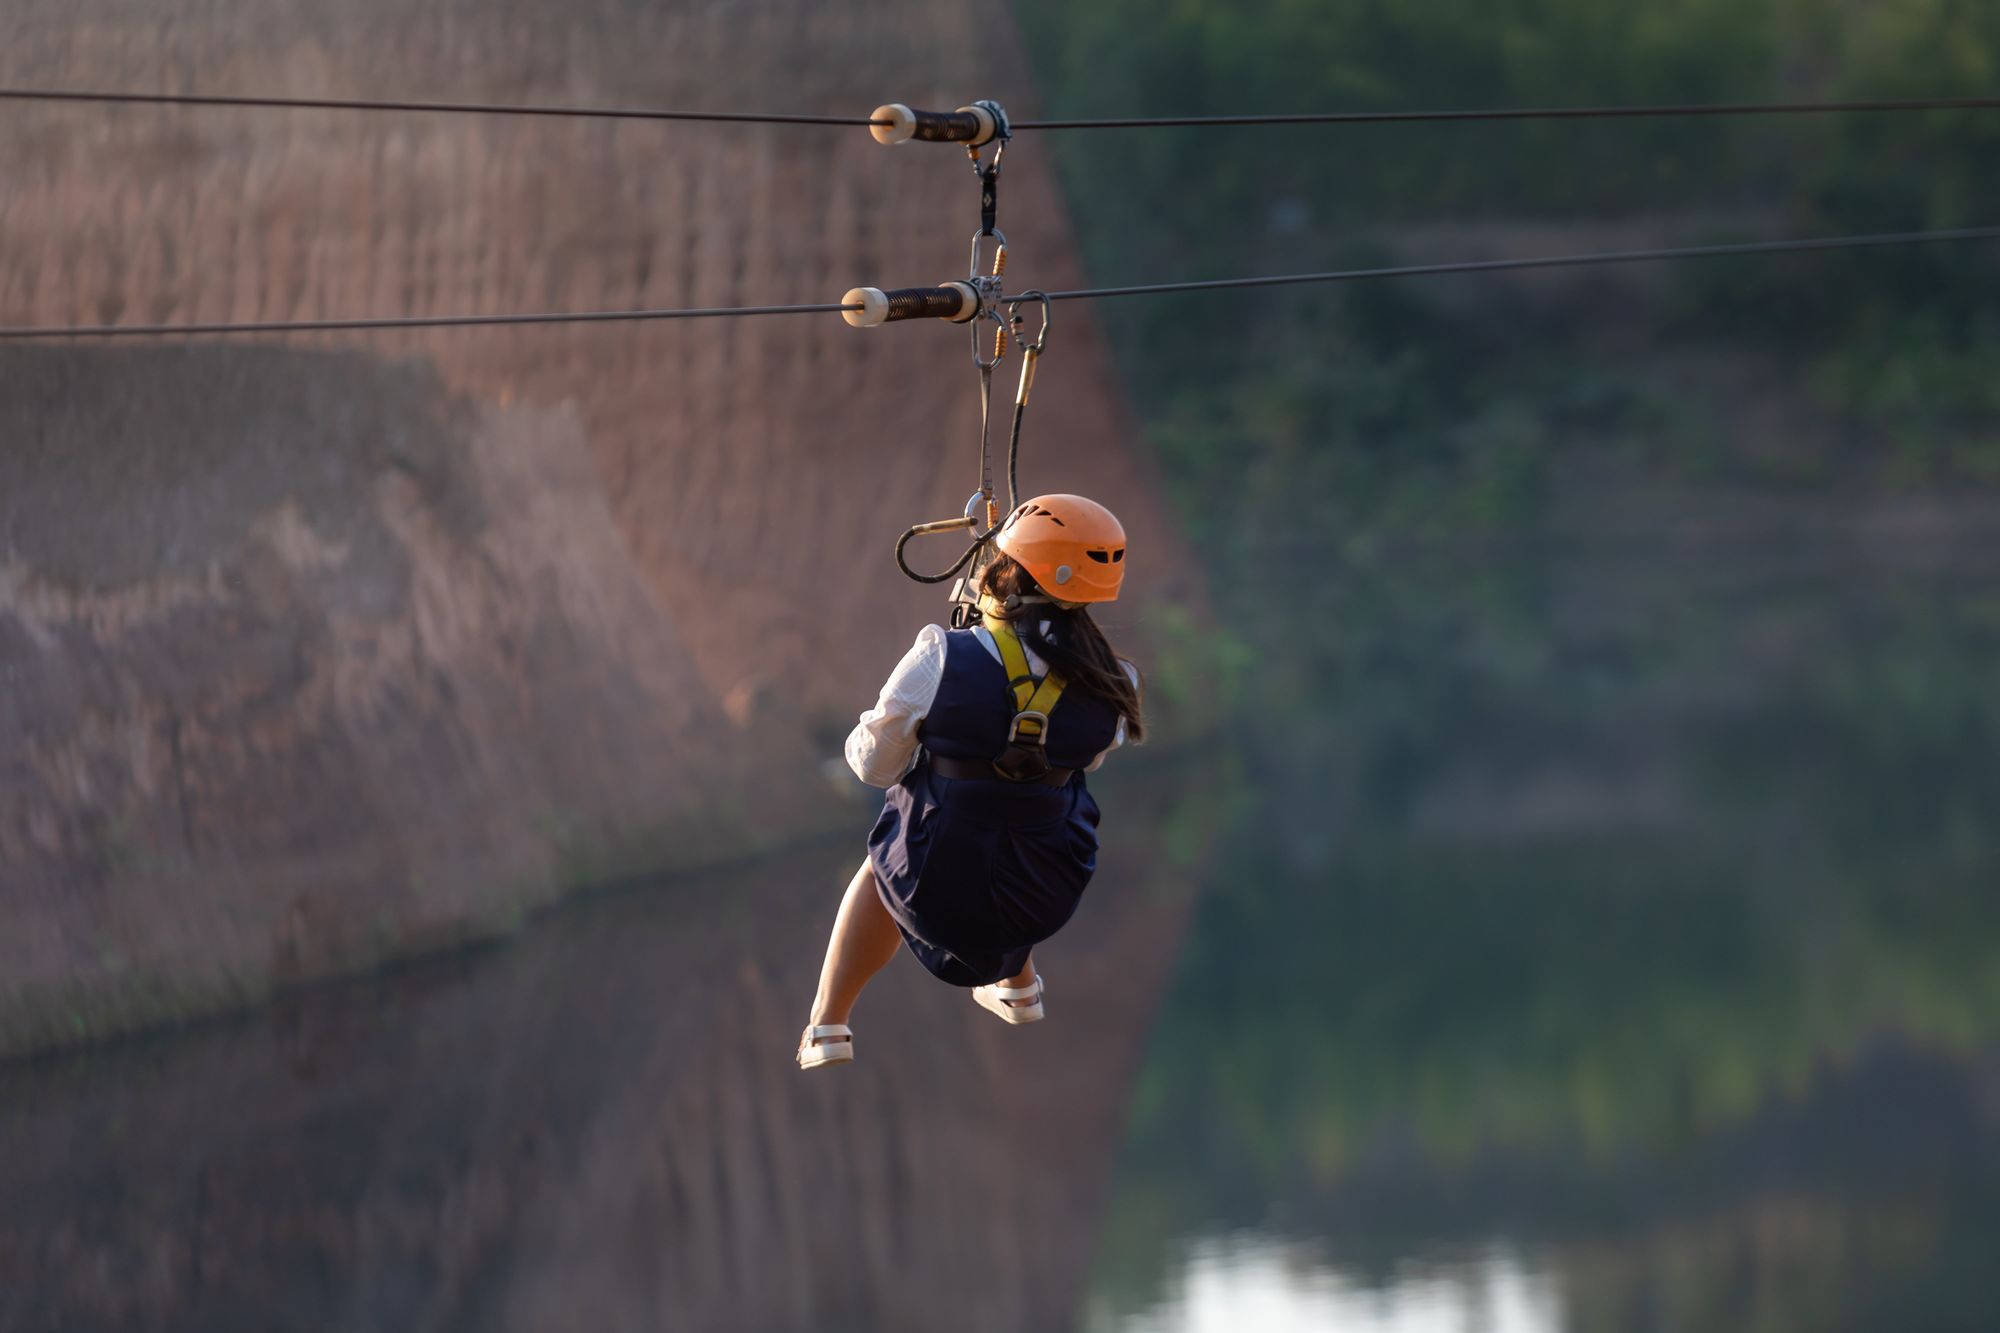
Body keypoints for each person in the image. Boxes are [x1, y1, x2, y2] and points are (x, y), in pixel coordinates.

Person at [797, 494, 1147, 1069]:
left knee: (893, 840)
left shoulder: (943, 654)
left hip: (936, 888)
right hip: (1046, 891)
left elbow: (871, 767)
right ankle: (1018, 983)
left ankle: (828, 1023)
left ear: (1011, 567)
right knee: (1039, 806)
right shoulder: (1117, 681)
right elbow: (1087, 757)